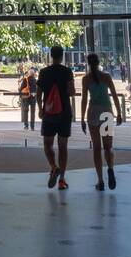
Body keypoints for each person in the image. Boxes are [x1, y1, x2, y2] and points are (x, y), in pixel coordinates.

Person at [36, 45, 76, 189]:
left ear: (51, 56)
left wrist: (40, 108)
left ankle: (53, 166)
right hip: (64, 112)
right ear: (62, 56)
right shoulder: (67, 72)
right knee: (63, 146)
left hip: (48, 112)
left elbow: (38, 93)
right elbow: (72, 92)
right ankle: (62, 180)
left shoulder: (44, 72)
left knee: (47, 144)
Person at [81, 53, 122, 190]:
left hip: (93, 113)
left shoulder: (86, 79)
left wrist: (81, 118)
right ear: (99, 63)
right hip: (106, 112)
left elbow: (84, 99)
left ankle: (100, 181)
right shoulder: (106, 77)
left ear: (88, 63)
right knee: (108, 147)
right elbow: (115, 96)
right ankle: (110, 168)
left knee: (97, 148)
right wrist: (119, 113)